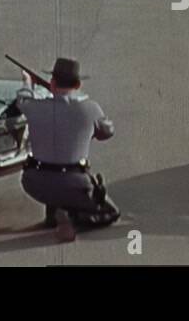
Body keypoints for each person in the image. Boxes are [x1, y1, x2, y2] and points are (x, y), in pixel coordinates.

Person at [16, 58, 120, 242]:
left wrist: (27, 83)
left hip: (34, 182)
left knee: (52, 174)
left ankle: (55, 213)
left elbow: (23, 99)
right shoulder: (90, 108)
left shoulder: (34, 107)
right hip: (74, 184)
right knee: (111, 212)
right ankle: (71, 217)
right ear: (78, 84)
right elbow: (107, 133)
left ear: (52, 83)